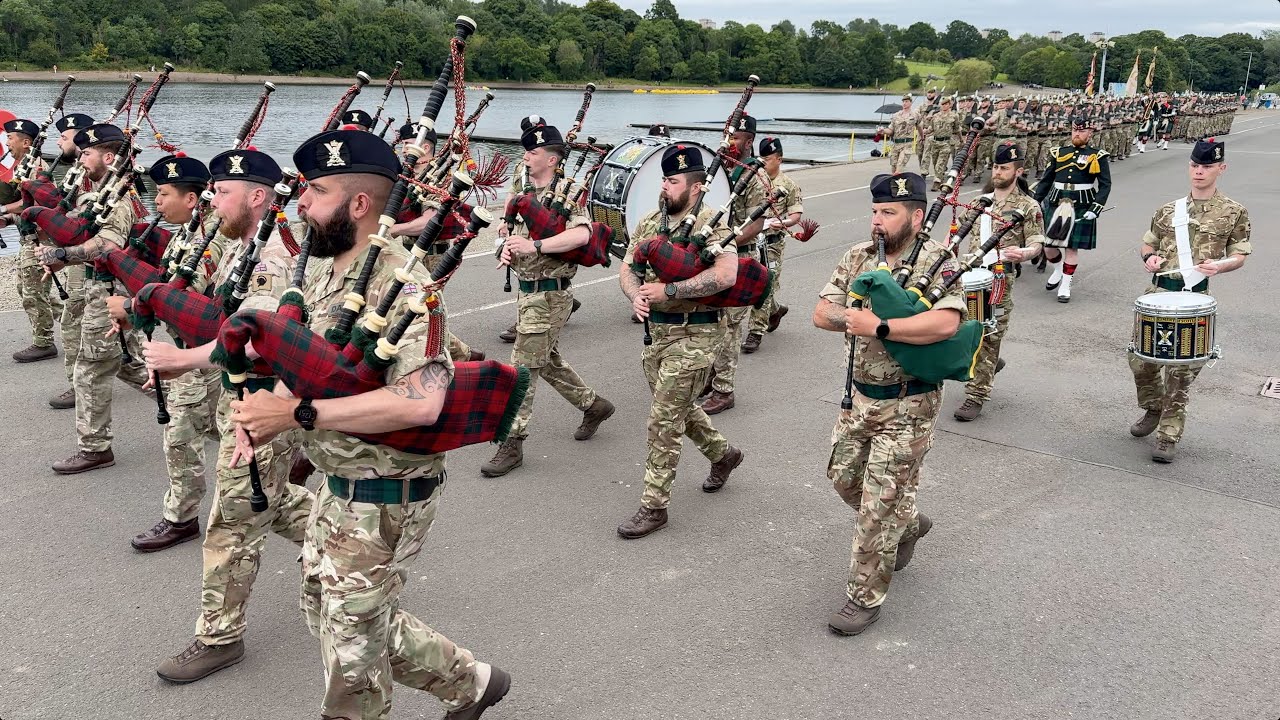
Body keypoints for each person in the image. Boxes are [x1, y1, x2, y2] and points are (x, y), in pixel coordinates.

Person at [229, 128, 511, 719]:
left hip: (385, 492)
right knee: (326, 613)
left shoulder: (406, 284)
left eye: (317, 191)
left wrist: (298, 414)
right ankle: (471, 682)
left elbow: (420, 403)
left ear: (359, 204)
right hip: (335, 484)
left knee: (351, 656)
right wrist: (262, 416)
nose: (302, 202)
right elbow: (309, 365)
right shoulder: (322, 274)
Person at [142, 148, 313, 683]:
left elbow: (264, 342)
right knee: (272, 501)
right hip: (237, 397)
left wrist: (184, 360)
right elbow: (225, 323)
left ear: (257, 196)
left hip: (264, 405)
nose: (212, 201)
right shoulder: (244, 245)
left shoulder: (277, 257)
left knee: (230, 526)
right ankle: (341, 540)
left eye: (221, 192)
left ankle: (220, 637)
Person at [812, 171, 965, 636]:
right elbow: (822, 313)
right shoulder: (858, 255)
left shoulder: (939, 260)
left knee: (877, 507)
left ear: (916, 217)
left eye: (889, 212)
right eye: (875, 211)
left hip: (909, 403)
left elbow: (946, 324)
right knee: (843, 479)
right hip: (858, 398)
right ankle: (910, 523)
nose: (877, 221)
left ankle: (863, 598)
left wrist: (880, 326)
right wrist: (850, 316)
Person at [617, 143, 745, 539]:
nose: (664, 187)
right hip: (657, 335)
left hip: (697, 334)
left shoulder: (714, 224)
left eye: (672, 181)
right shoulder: (650, 222)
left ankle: (654, 507)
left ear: (695, 187)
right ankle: (723, 454)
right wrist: (635, 294)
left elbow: (726, 275)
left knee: (663, 419)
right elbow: (628, 268)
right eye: (663, 180)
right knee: (678, 408)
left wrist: (670, 291)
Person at [483, 117, 615, 477]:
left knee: (522, 370)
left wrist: (535, 245)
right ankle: (594, 405)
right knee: (546, 360)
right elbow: (507, 227)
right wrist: (503, 244)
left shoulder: (569, 191)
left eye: (534, 151)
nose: (526, 155)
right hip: (526, 292)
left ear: (552, 159)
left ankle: (512, 442)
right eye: (526, 150)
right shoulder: (522, 188)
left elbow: (582, 235)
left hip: (551, 294)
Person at [111, 154, 226, 551]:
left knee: (181, 435)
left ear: (191, 199)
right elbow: (166, 282)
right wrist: (136, 314)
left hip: (201, 353)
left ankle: (181, 518)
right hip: (189, 351)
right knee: (214, 427)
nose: (156, 202)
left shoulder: (211, 240)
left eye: (163, 194)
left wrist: (131, 307)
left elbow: (188, 300)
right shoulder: (187, 233)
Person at [37, 123, 150, 474]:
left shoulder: (120, 196)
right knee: (129, 365)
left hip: (111, 293)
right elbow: (81, 230)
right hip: (102, 289)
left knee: (90, 369)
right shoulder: (102, 191)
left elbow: (108, 245)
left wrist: (63, 255)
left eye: (87, 153)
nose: (81, 159)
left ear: (109, 157)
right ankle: (197, 410)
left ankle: (95, 447)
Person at [1129, 138, 1249, 463]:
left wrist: (1220, 266)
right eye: (1195, 165)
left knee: (1181, 370)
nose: (1199, 171)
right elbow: (1148, 244)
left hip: (1195, 298)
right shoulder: (1168, 210)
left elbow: (1239, 255)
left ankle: (1168, 435)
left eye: (1206, 166)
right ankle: (1153, 407)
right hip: (1158, 294)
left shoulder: (1233, 211)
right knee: (1140, 360)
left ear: (1221, 168)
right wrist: (1150, 258)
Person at [953, 141, 1046, 421]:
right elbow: (957, 232)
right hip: (969, 276)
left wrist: (1025, 253)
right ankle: (991, 362)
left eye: (1004, 168)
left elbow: (1037, 242)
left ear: (1018, 171)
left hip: (999, 278)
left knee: (988, 334)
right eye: (995, 166)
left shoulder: (1028, 206)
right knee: (962, 330)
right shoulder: (979, 202)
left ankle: (976, 395)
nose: (997, 172)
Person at [703, 113, 767, 415]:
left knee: (728, 326)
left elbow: (756, 223)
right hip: (715, 256)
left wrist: (724, 242)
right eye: (727, 135)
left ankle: (724, 390)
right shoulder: (720, 168)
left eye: (736, 137)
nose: (729, 141)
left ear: (749, 141)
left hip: (740, 257)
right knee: (712, 321)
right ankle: (711, 377)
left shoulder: (754, 175)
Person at [1032, 115, 1111, 303]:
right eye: (1075, 130)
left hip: (1081, 204)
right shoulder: (1058, 152)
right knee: (1048, 246)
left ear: (1090, 133)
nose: (1077, 134)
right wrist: (1034, 202)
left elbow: (1105, 185)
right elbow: (1046, 180)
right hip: (1056, 202)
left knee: (1071, 248)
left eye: (1081, 131)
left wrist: (1095, 208)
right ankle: (1059, 269)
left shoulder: (1097, 155)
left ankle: (1065, 285)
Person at [46, 113, 96, 409]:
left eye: (64, 137)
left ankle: (79, 386)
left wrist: (64, 255)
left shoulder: (101, 177)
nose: (59, 142)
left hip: (91, 260)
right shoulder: (77, 172)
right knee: (113, 331)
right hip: (77, 258)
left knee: (73, 322)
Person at [2, 118, 58, 363]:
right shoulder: (23, 167)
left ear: (26, 143)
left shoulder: (36, 168)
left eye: (10, 138)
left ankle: (44, 343)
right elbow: (26, 210)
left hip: (41, 240)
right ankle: (73, 319)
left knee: (33, 292)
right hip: (29, 237)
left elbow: (36, 204)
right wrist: (7, 219)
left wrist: (3, 210)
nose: (7, 143)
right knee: (26, 288)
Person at [742, 135, 803, 354]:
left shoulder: (788, 185)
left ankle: (755, 332)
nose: (764, 163)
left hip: (772, 244)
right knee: (751, 284)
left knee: (765, 285)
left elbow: (796, 215)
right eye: (762, 159)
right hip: (751, 241)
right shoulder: (753, 180)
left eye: (768, 159)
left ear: (779, 159)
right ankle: (775, 310)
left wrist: (783, 222)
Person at [883, 96, 916, 173]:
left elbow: (920, 126)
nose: (904, 103)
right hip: (896, 144)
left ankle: (898, 176)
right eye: (903, 102)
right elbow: (891, 130)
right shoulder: (896, 116)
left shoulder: (915, 115)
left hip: (906, 144)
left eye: (906, 101)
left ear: (911, 103)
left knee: (900, 165)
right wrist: (883, 131)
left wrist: (922, 136)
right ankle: (897, 180)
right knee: (893, 167)